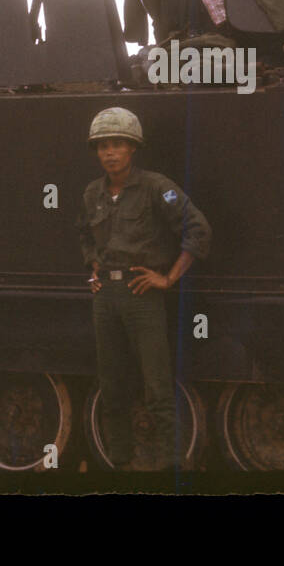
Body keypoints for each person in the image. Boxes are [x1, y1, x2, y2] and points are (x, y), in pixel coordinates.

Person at [76, 106, 211, 469]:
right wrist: (94, 266)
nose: (110, 152)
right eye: (103, 145)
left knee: (157, 388)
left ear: (133, 148)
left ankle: (170, 467)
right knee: (112, 386)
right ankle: (120, 462)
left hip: (142, 297)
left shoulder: (157, 187)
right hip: (105, 298)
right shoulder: (93, 193)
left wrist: (167, 278)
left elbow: (197, 229)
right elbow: (85, 234)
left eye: (118, 144)